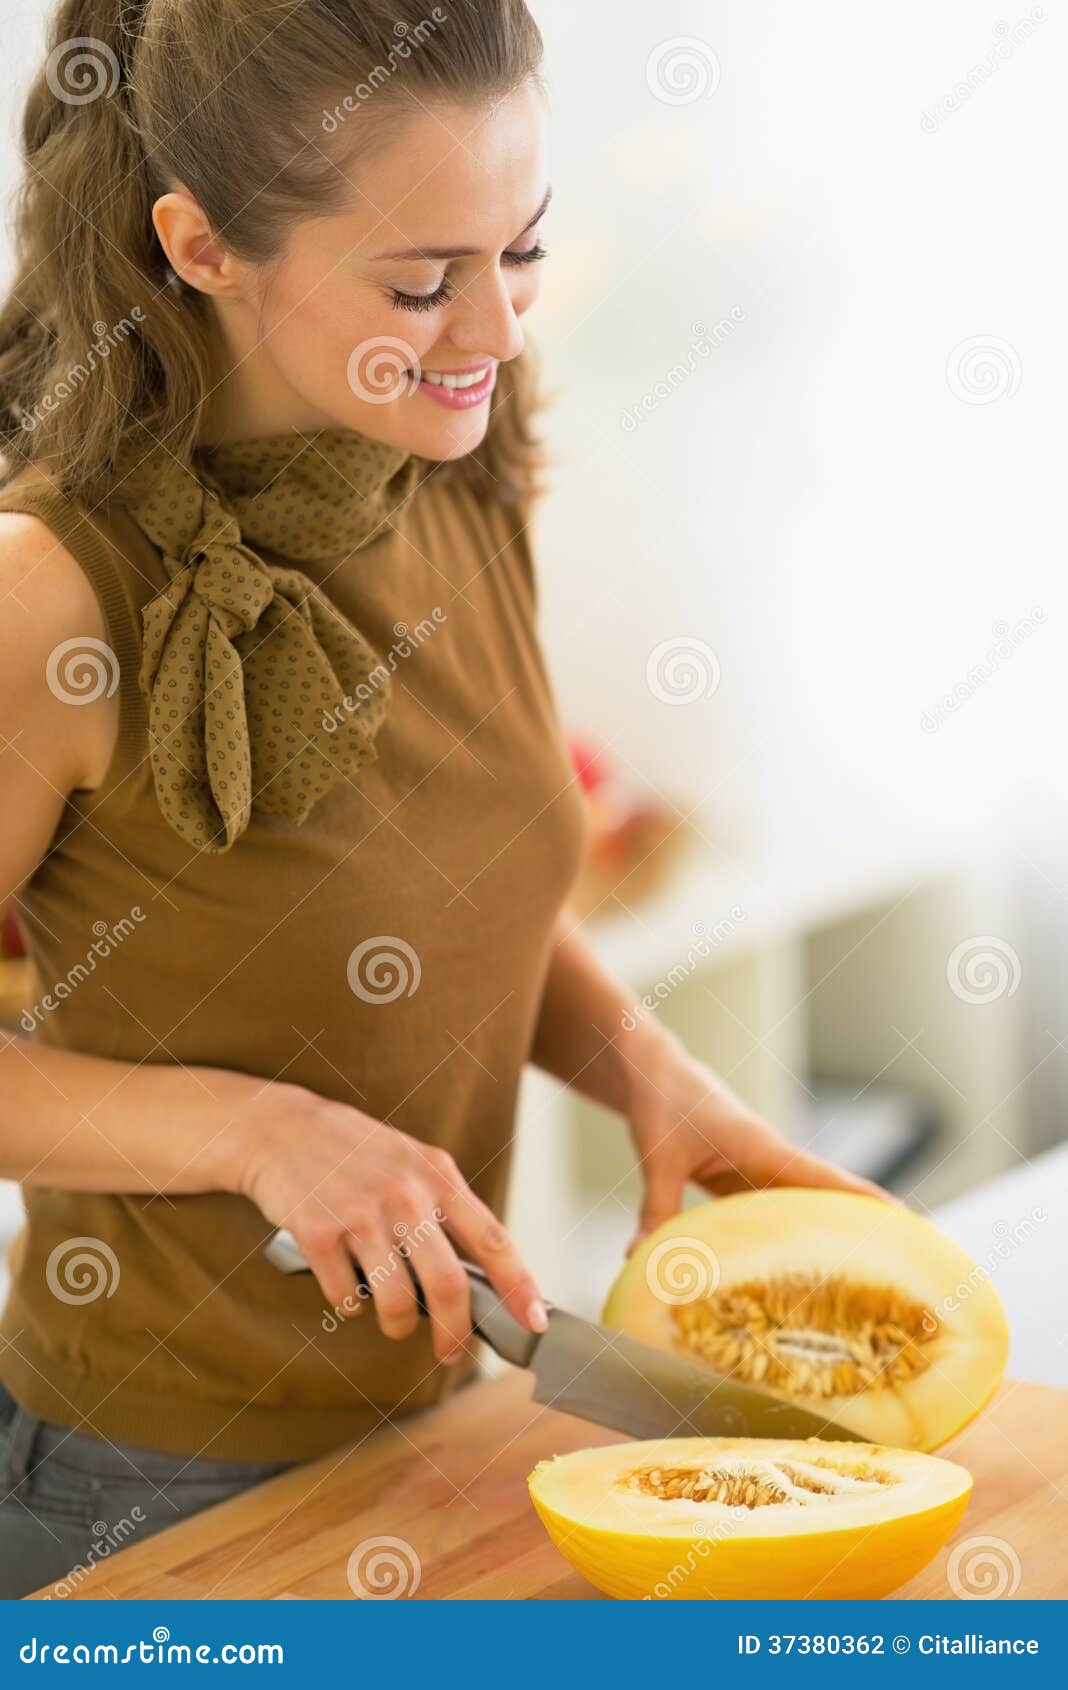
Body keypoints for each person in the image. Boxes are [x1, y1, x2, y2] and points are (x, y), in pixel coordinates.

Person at [0, 0, 877, 1599]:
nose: (496, 329)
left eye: (522, 252)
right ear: (200, 247)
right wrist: (260, 1133)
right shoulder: (52, 597)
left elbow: (449, 884)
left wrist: (651, 1070)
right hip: (147, 1480)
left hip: (443, 1404)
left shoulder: (454, 452)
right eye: (421, 281)